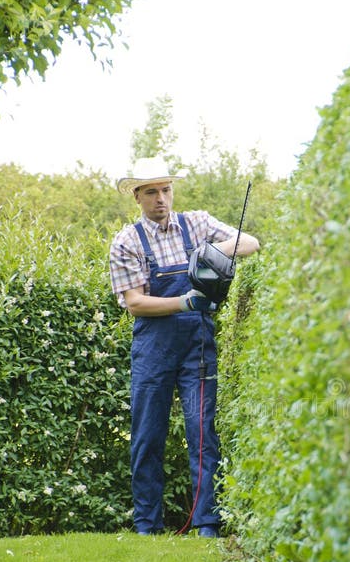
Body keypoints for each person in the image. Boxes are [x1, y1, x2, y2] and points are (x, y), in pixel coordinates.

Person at [109, 156, 259, 537]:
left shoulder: (196, 223)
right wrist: (184, 302)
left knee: (202, 434)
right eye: (151, 192)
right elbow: (135, 302)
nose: (161, 198)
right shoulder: (127, 242)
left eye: (166, 189)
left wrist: (210, 254)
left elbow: (251, 242)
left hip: (198, 344)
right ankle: (147, 525)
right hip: (153, 349)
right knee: (147, 436)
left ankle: (207, 523)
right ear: (137, 197)